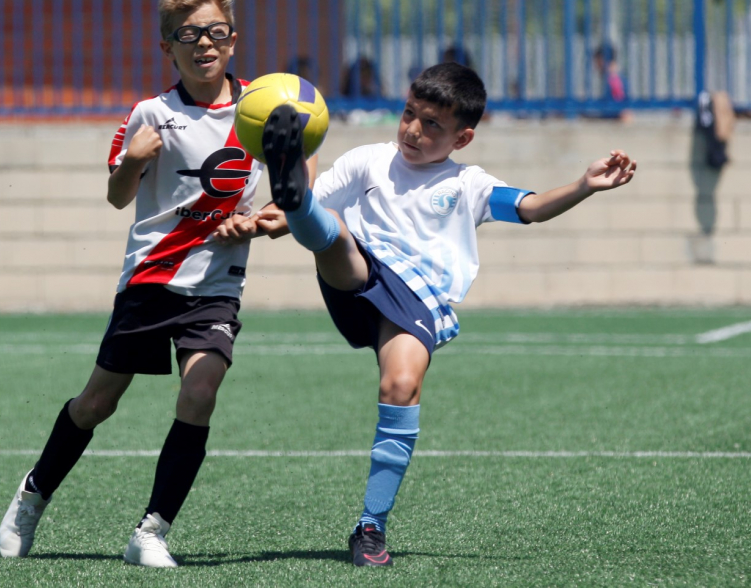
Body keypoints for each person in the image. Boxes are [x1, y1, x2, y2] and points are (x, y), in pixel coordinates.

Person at [255, 62, 637, 567]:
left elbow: (530, 207)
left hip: (416, 299)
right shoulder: (367, 161)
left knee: (400, 387)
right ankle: (296, 186)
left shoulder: (467, 184)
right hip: (359, 269)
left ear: (463, 137)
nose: (414, 130)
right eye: (410, 113)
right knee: (334, 236)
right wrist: (262, 219)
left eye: (432, 124)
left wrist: (584, 184)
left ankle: (371, 526)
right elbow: (280, 223)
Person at [0, 0, 278, 569]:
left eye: (215, 31)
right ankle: (34, 491)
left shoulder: (265, 111)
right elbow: (117, 197)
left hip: (217, 286)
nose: (204, 43)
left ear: (233, 39)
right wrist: (131, 159)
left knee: (201, 389)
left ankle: (151, 531)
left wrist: (257, 223)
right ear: (167, 46)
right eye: (188, 34)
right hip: (152, 278)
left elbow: (288, 205)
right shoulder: (149, 113)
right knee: (97, 404)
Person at [590, 40, 631, 121]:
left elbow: (621, 108)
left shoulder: (614, 79)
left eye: (597, 61)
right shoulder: (613, 77)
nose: (595, 65)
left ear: (602, 60)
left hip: (613, 120)